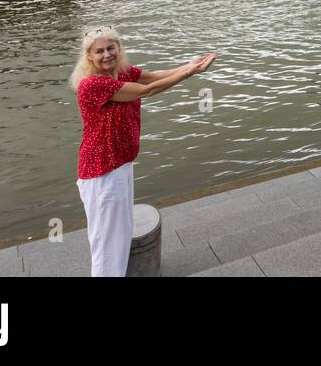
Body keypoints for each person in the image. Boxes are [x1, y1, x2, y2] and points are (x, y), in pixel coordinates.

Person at [69, 27, 217, 276]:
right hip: (101, 172)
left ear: (119, 48)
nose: (107, 54)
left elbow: (155, 77)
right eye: (99, 51)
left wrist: (188, 65)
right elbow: (148, 91)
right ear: (89, 57)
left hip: (121, 164)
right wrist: (189, 73)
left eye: (111, 48)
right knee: (107, 244)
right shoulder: (93, 85)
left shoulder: (122, 72)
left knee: (121, 236)